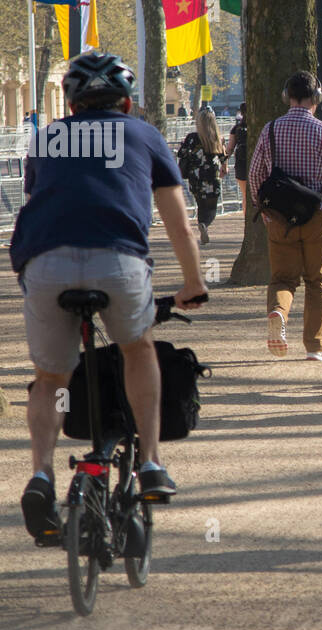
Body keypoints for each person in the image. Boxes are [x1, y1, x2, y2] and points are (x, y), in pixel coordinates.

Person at [10, 51, 207, 543]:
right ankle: (152, 462)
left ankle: (41, 475)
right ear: (127, 101)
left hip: (45, 261)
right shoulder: (143, 134)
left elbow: (43, 199)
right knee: (137, 348)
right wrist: (193, 283)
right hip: (116, 260)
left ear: (72, 105)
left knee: (51, 377)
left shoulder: (47, 137)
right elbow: (179, 223)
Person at [248, 71, 322, 360]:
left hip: (279, 218)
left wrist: (263, 208)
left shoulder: (271, 129)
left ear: (286, 97)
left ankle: (279, 312)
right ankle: (315, 346)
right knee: (318, 281)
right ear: (317, 98)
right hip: (317, 216)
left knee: (282, 279)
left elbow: (255, 174)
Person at [177, 106, 228, 245]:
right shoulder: (218, 138)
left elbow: (181, 154)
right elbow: (223, 157)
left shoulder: (192, 137)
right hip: (212, 175)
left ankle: (201, 224)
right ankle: (205, 224)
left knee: (200, 204)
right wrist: (224, 168)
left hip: (196, 176)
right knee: (212, 207)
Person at [225, 102, 248, 212]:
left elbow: (229, 149)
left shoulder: (236, 128)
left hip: (241, 165)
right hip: (256, 164)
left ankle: (246, 219)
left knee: (245, 196)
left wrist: (224, 163)